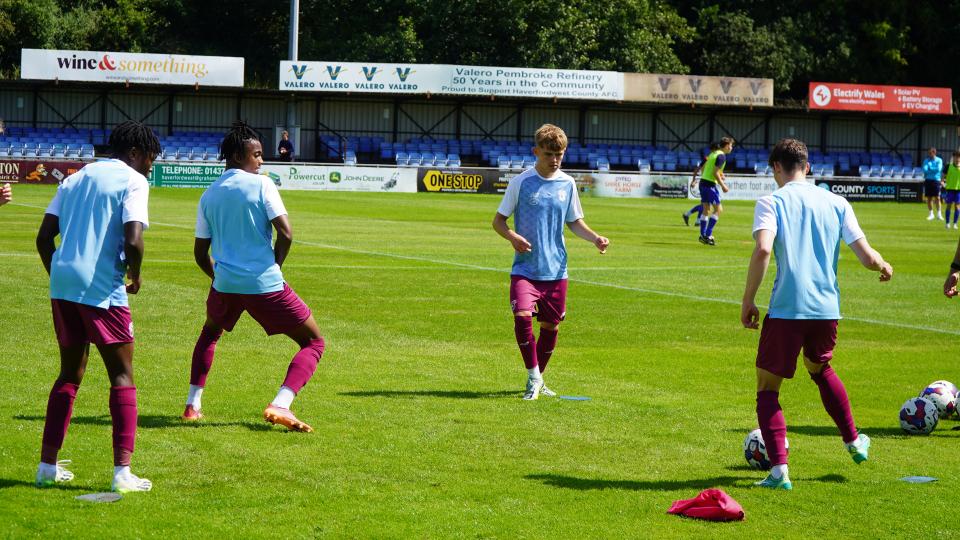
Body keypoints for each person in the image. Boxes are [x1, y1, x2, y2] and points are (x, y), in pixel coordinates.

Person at [741, 138, 893, 490]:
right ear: (807, 167)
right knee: (820, 368)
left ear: (776, 167)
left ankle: (779, 472)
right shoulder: (836, 202)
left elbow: (764, 248)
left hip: (787, 307)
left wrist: (748, 299)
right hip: (827, 308)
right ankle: (854, 440)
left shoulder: (771, 201)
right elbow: (867, 256)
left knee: (767, 387)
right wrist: (883, 265)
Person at [34, 120, 160, 493]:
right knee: (121, 375)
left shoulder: (75, 177)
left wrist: (59, 275)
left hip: (64, 284)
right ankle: (123, 473)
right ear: (135, 153)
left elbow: (44, 238)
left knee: (69, 374)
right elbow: (134, 240)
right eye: (150, 157)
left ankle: (47, 466)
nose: (151, 165)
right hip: (102, 286)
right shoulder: (134, 180)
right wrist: (135, 275)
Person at [184, 122, 324, 432]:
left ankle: (193, 406)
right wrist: (275, 265)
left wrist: (217, 276)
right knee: (314, 342)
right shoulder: (262, 184)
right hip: (264, 284)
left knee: (209, 334)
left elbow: (199, 253)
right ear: (237, 155)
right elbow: (286, 233)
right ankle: (281, 404)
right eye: (257, 155)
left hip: (225, 284)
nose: (261, 161)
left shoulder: (209, 194)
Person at [492, 124, 609, 400]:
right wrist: (512, 237)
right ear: (536, 152)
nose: (554, 160)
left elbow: (574, 221)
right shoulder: (520, 182)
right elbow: (498, 221)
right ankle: (534, 378)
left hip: (556, 270)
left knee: (550, 327)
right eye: (548, 154)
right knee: (521, 316)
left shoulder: (567, 183)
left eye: (559, 154)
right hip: (525, 268)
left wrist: (594, 238)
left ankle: (538, 379)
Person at [697, 137, 733, 245]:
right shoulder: (721, 156)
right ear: (726, 146)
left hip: (703, 182)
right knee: (718, 209)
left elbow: (706, 169)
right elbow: (715, 173)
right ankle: (708, 235)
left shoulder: (713, 153)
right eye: (731, 146)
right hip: (709, 185)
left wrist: (721, 174)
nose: (731, 148)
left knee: (706, 209)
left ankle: (703, 235)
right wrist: (723, 186)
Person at [682, 144, 718, 227]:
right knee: (705, 204)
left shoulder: (714, 159)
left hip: (708, 182)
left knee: (705, 204)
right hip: (705, 183)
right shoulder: (707, 159)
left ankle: (689, 216)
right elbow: (696, 170)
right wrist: (694, 180)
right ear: (713, 150)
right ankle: (696, 219)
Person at [922, 147, 944, 221]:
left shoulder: (939, 160)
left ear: (934, 153)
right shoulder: (926, 160)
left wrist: (930, 168)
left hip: (936, 181)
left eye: (930, 153)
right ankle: (931, 214)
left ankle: (939, 214)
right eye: (929, 153)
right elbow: (925, 170)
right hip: (928, 180)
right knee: (929, 198)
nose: (929, 154)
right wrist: (932, 170)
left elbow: (939, 169)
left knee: (937, 197)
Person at [942, 151, 960, 229]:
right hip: (950, 190)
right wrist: (943, 183)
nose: (957, 158)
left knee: (957, 207)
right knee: (948, 206)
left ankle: (955, 223)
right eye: (956, 157)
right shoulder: (948, 166)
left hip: (959, 190)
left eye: (959, 157)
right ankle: (947, 223)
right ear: (953, 157)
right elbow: (942, 178)